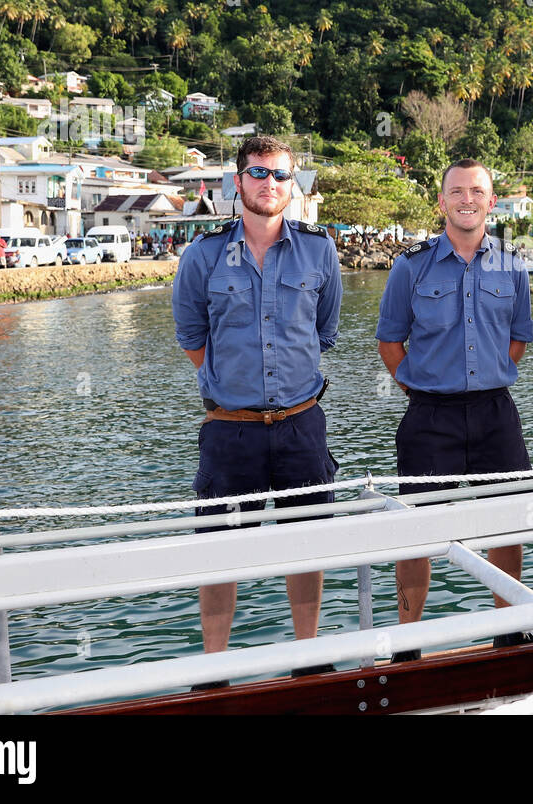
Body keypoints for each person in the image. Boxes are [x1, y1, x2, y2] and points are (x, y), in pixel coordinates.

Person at [171, 135, 342, 682]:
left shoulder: (320, 251)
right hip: (230, 429)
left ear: (294, 186)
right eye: (259, 173)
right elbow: (192, 335)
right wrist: (230, 386)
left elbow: (325, 330)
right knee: (220, 548)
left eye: (281, 176)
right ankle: (214, 670)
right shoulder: (201, 255)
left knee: (307, 543)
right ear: (237, 180)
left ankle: (307, 659)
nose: (270, 184)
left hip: (301, 424)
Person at [375, 160, 533, 659]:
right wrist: (422, 389)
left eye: (478, 191)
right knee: (416, 530)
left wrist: (484, 378)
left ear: (492, 201)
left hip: (495, 413)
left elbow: (518, 339)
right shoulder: (410, 265)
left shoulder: (513, 265)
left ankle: (508, 632)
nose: (467, 199)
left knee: (507, 523)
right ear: (441, 202)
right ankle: (408, 641)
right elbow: (389, 341)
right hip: (430, 418)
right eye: (457, 191)